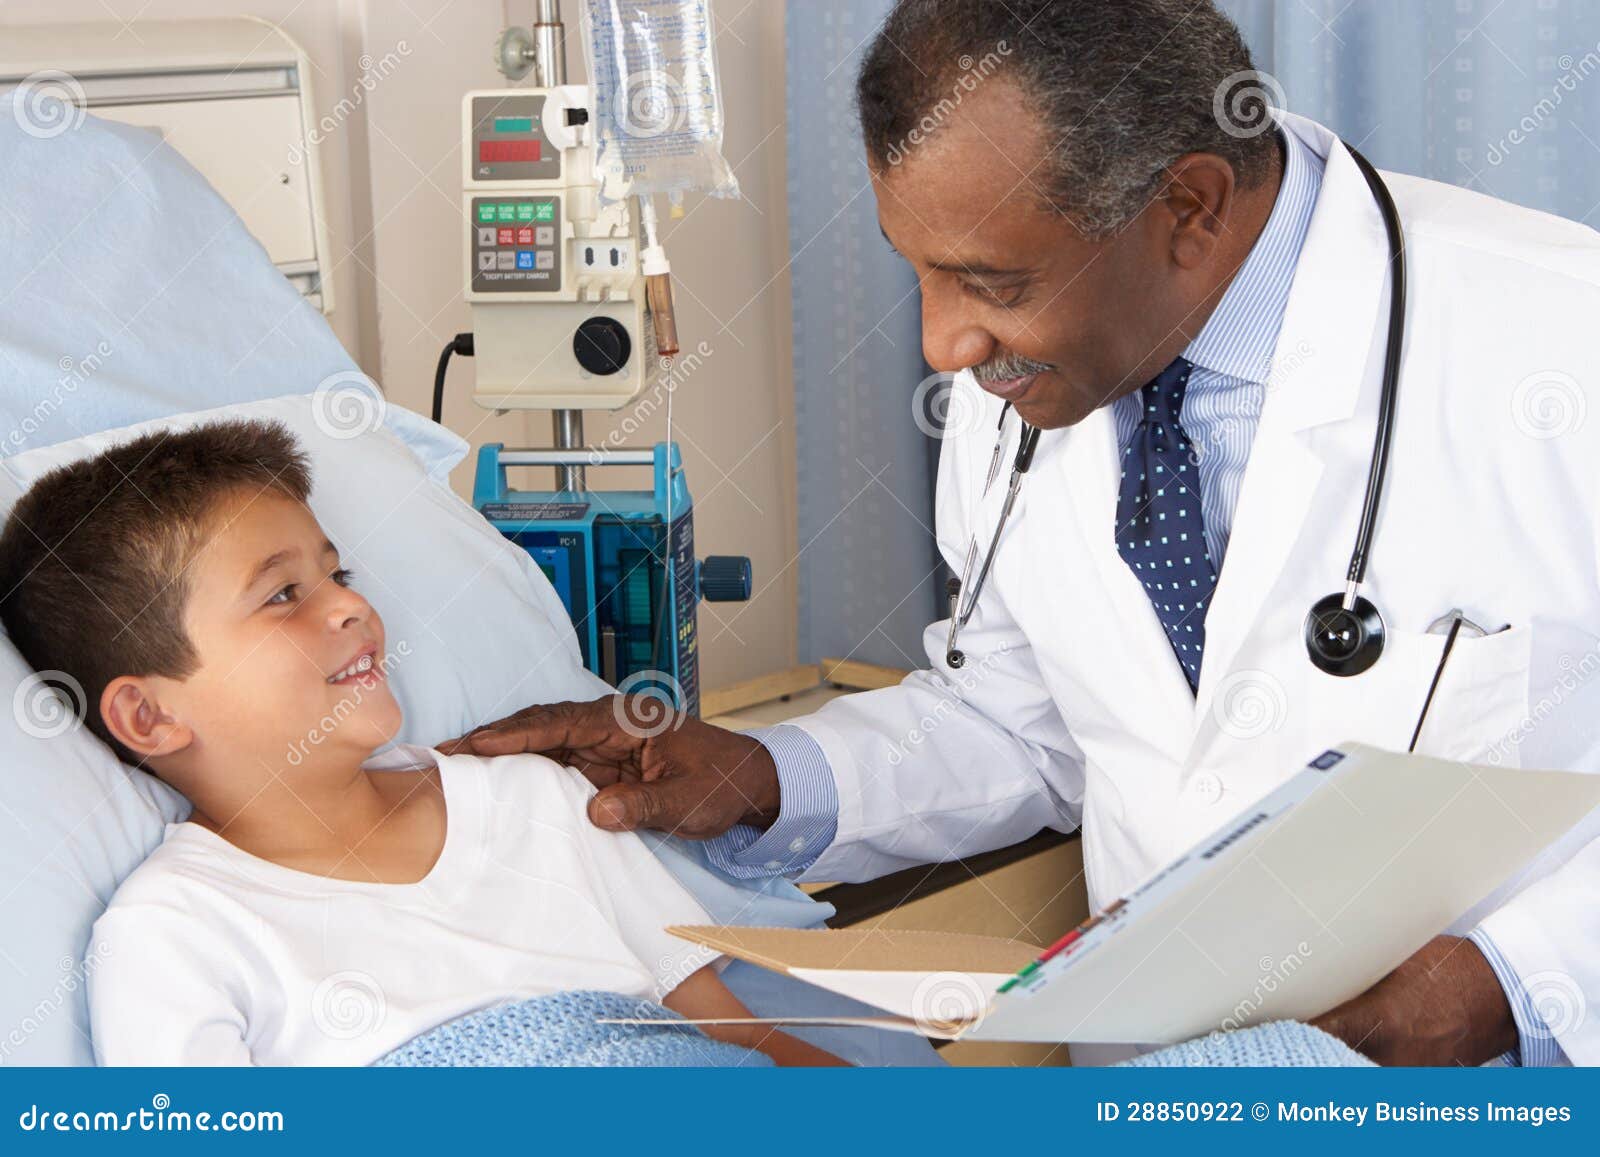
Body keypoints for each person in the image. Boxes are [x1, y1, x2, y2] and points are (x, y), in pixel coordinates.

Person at [451, 0, 1600, 1066]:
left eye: (987, 280)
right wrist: (763, 774)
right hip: (1162, 1077)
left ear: (1189, 207)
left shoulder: (1559, 342)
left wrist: (1495, 986)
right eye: (919, 272)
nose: (942, 343)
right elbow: (1025, 719)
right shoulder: (1023, 383)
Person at [0, 420, 840, 1067]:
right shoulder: (176, 930)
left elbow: (740, 1039)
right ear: (148, 717)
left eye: (340, 575)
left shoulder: (536, 801)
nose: (348, 608)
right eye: (283, 594)